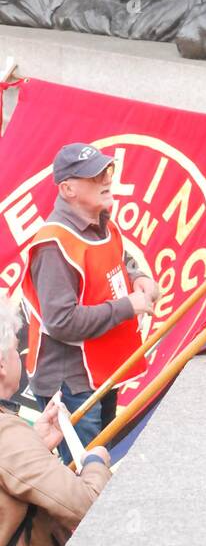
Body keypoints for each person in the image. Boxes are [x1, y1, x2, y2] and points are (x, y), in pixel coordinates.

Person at [19, 144, 157, 462]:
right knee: (84, 476)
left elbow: (116, 264)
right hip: (72, 383)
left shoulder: (103, 224)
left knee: (101, 465)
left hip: (101, 371)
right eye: (94, 175)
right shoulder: (54, 246)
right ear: (68, 189)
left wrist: (139, 278)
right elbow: (62, 322)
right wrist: (129, 306)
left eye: (106, 171)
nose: (106, 179)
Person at [0, 296, 111, 546]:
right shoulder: (7, 435)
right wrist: (97, 463)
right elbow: (86, 505)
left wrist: (33, 441)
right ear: (2, 365)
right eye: (17, 349)